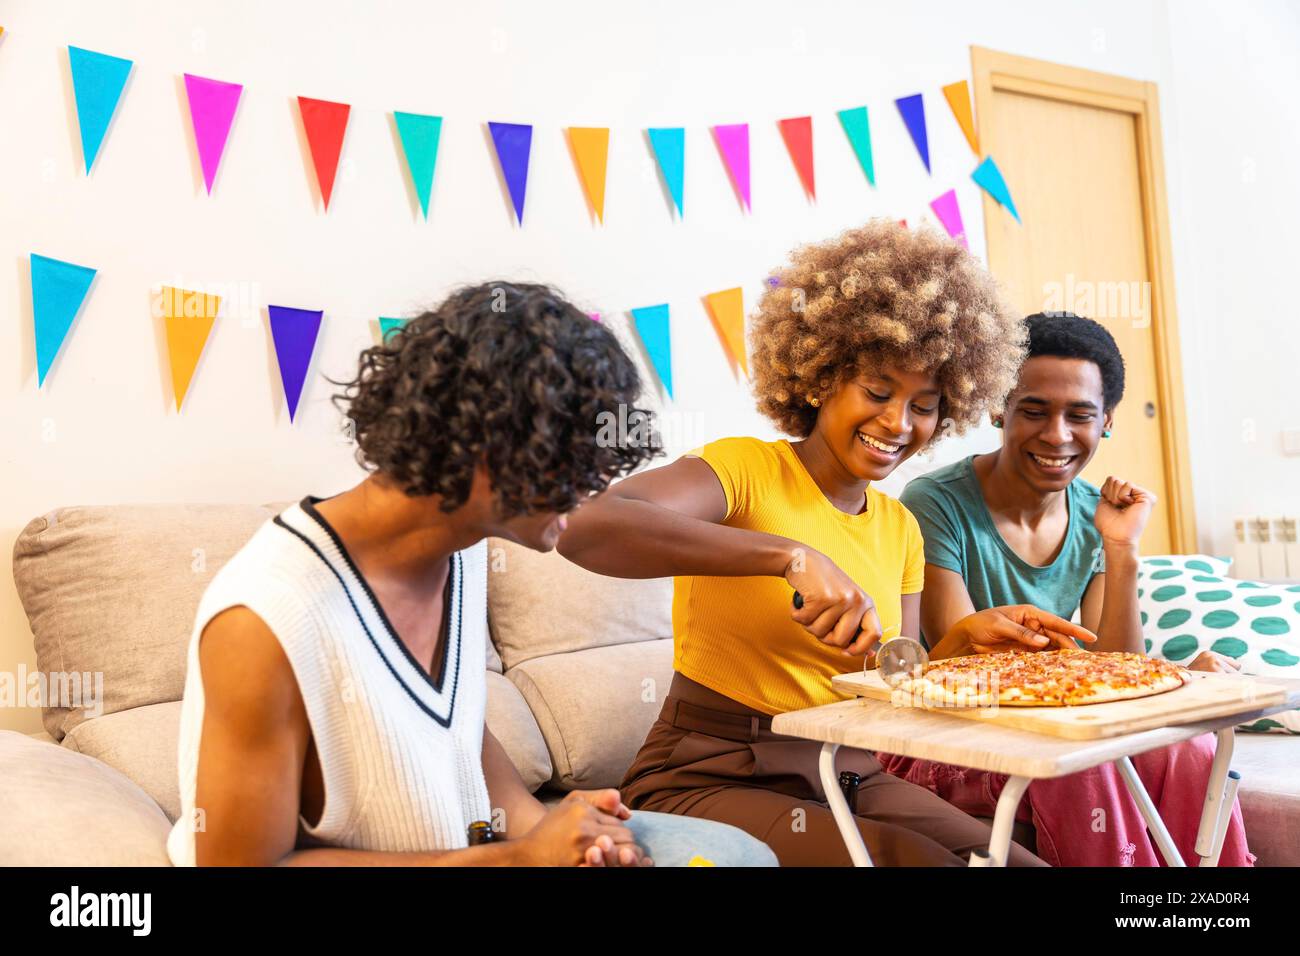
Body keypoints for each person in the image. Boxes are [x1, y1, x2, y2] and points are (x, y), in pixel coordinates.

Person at [166, 281, 777, 867]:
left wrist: (557, 833)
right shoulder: (265, 618)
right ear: (494, 450)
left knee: (739, 857)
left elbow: (459, 742)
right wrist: (516, 861)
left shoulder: (460, 547)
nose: (598, 489)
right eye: (581, 466)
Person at [558, 221, 1091, 866]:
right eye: (877, 392)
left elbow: (895, 679)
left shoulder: (900, 526)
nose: (898, 424)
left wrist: (962, 645)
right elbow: (587, 526)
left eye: (924, 405)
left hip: (852, 772)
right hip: (713, 771)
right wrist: (790, 557)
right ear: (820, 379)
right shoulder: (746, 471)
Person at [880, 311, 1252, 867]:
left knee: (1191, 750)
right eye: (1033, 410)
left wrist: (1121, 549)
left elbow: (1118, 666)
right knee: (1082, 759)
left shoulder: (1095, 514)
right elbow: (965, 673)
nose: (1057, 435)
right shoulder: (936, 505)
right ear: (996, 407)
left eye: (1080, 415)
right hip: (954, 733)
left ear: (1107, 421)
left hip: (1057, 722)